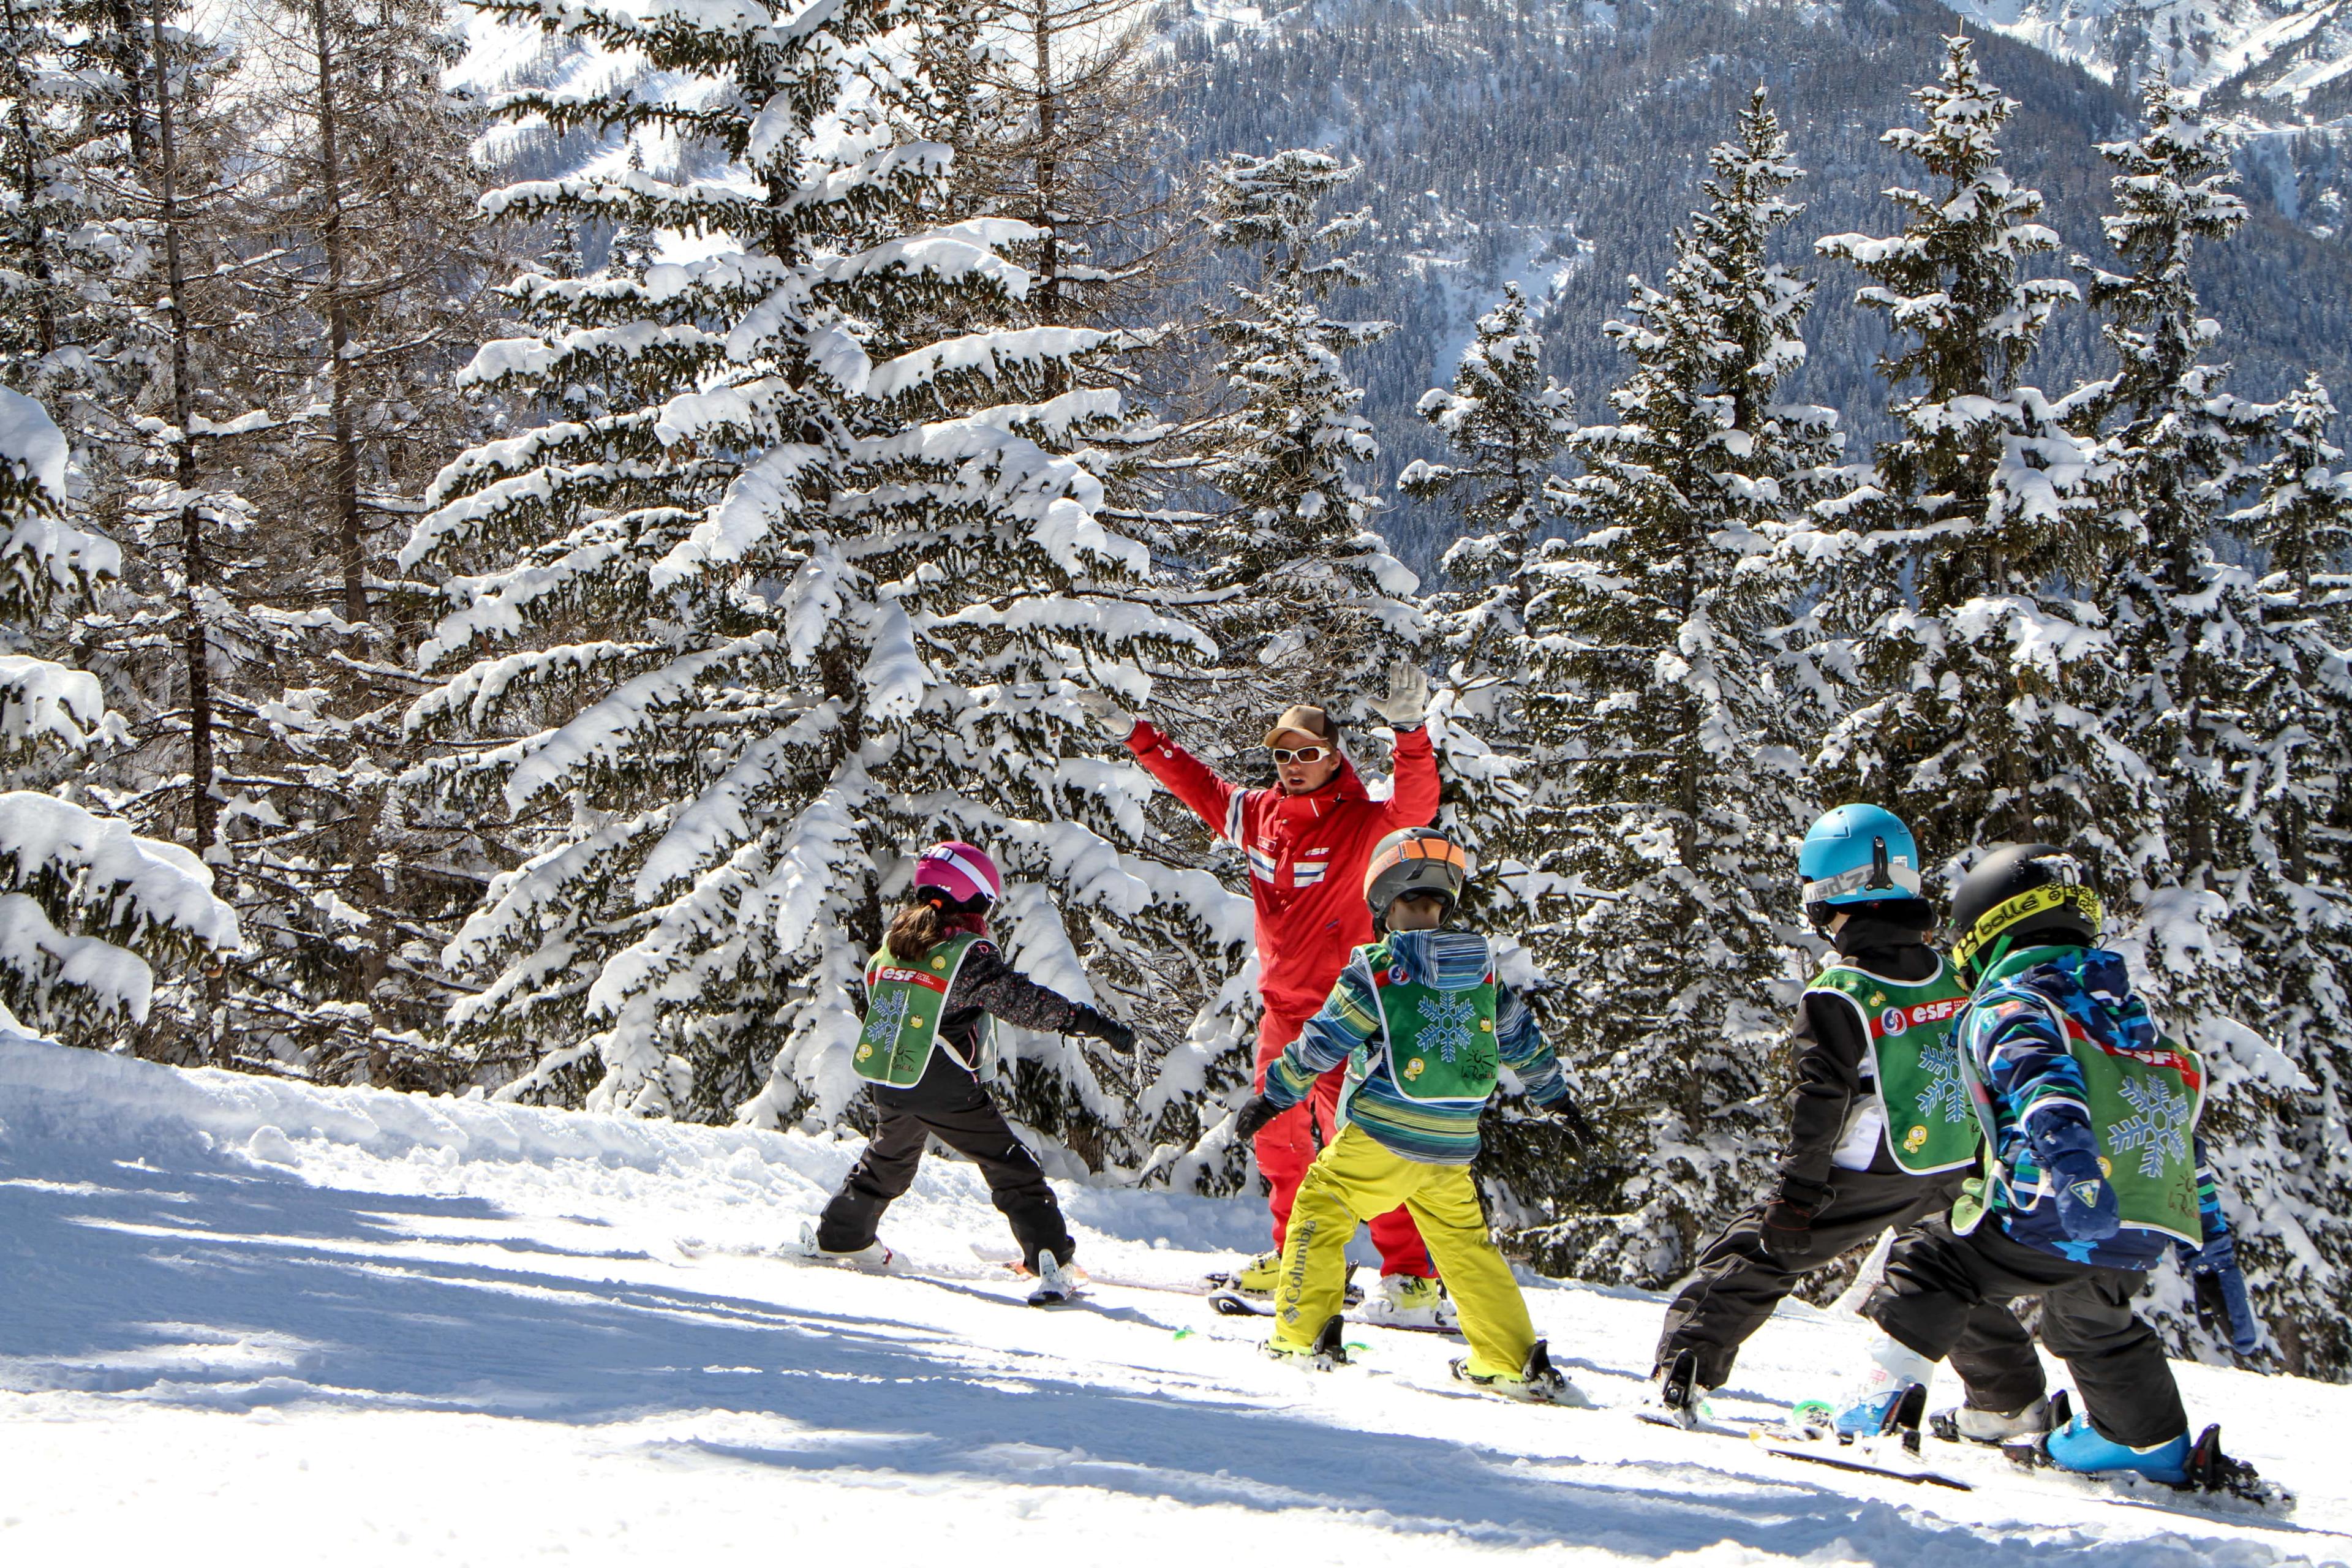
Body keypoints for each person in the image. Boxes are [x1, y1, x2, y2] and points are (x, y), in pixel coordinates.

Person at [1831, 843, 2266, 1485]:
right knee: (2088, 1320)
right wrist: (2213, 1251)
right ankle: (2146, 1442)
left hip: (2062, 1204)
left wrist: (2075, 1171)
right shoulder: (2130, 1023)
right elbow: (2174, 1134)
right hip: (2142, 1223)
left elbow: (2043, 1082)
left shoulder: (2017, 1003)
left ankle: (1877, 1414)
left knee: (1932, 1262)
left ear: (1985, 930)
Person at [1074, 664, 1449, 1324]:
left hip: (1348, 1014)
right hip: (1282, 1009)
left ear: (1334, 757)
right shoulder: (1259, 815)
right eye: (1283, 755)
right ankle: (1297, 1255)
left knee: (1362, 1141)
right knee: (1279, 1139)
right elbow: (1197, 785)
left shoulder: (1363, 823)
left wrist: (1410, 732)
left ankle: (1412, 1278)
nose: (1294, 766)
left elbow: (1415, 810)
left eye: (1307, 754)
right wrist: (1136, 734)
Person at [1648, 805, 2037, 1432]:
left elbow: (1821, 1098)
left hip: (1869, 1163)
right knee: (1947, 1271)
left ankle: (1681, 1374)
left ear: (1827, 896)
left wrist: (1797, 1193)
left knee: (1755, 1254)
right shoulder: (1952, 975)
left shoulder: (1840, 991)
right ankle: (2010, 1402)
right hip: (1951, 1158)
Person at [1229, 827, 1592, 1398]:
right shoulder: (1481, 970)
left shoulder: (1379, 968)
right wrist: (1558, 1099)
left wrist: (1274, 1095)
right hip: (1452, 1141)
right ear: (1445, 903)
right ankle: (1510, 1359)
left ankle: (1301, 1336)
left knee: (1321, 1204)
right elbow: (1522, 1039)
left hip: (1385, 1130)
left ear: (1382, 901)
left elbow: (1323, 1042)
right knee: (1464, 1245)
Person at [812, 841, 1135, 1292]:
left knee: (889, 1161)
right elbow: (1021, 1001)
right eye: (985, 902)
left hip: (891, 1073)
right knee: (1010, 1165)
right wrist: (1089, 1022)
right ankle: (1051, 1260)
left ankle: (842, 1236)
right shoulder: (964, 953)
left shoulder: (896, 943)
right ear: (970, 896)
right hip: (940, 1078)